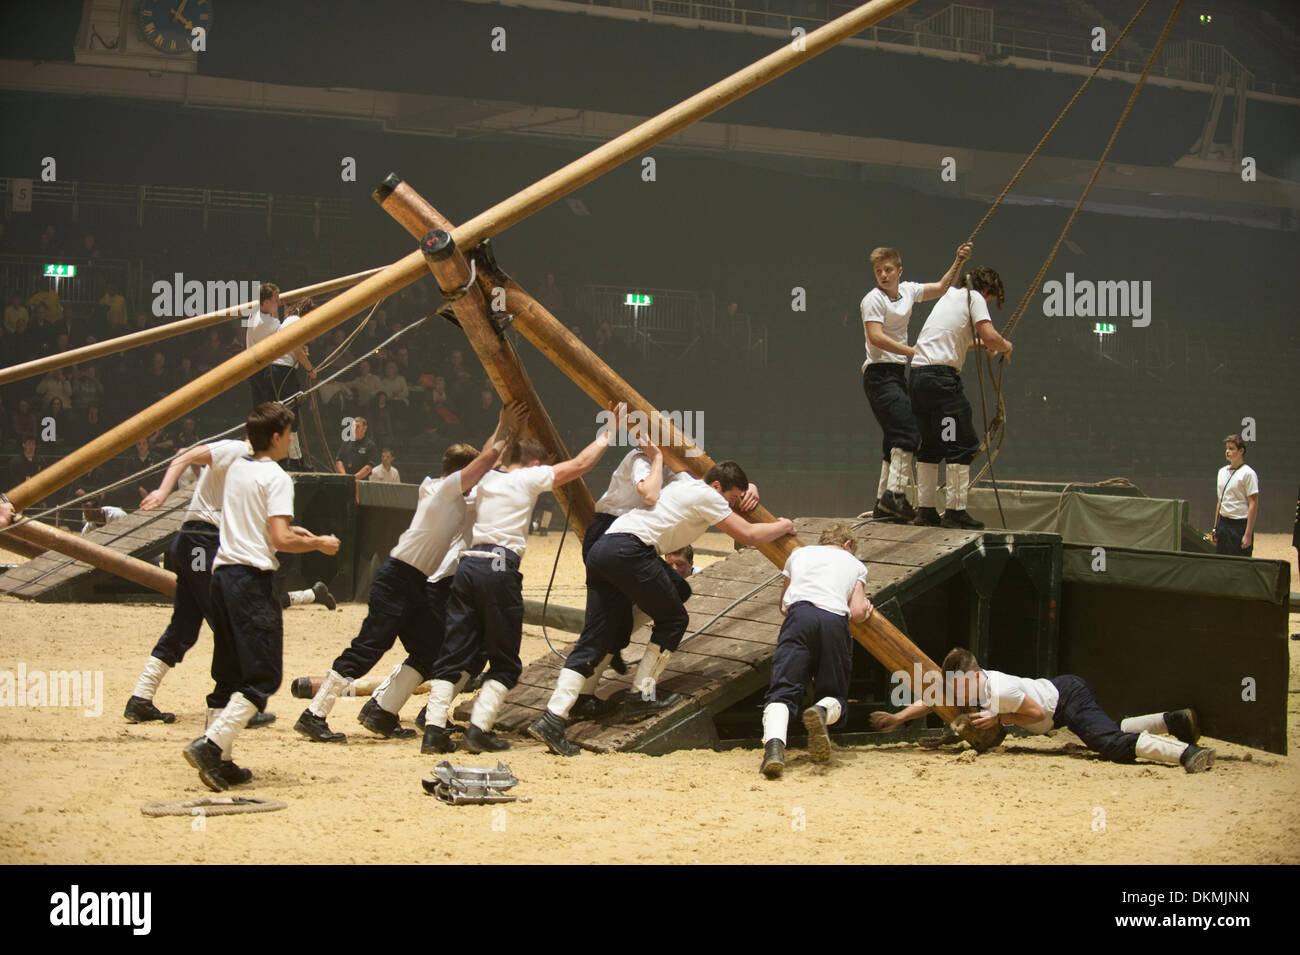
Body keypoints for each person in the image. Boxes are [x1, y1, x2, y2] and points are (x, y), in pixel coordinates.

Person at [529, 458, 795, 757]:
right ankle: (641, 695)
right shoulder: (708, 495)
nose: (732, 506)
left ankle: (553, 718)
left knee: (601, 634)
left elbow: (687, 463)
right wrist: (782, 525)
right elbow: (747, 534)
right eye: (732, 499)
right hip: (632, 550)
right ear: (718, 486)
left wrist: (749, 489)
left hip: (603, 548)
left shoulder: (684, 482)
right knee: (674, 620)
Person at [295, 404, 524, 744]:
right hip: (398, 579)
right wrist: (506, 434)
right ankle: (314, 714)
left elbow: (481, 461)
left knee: (430, 649)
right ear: (460, 474)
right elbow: (485, 462)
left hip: (413, 583)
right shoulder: (446, 489)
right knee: (368, 648)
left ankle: (383, 714)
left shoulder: (438, 487)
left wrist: (504, 424)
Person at [420, 412, 619, 755]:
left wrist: (505, 428)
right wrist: (609, 433)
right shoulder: (527, 480)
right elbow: (580, 466)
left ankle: (434, 730)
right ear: (534, 465)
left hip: (468, 566)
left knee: (453, 653)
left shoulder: (486, 478)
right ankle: (479, 729)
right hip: (499, 565)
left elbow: (490, 454)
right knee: (506, 661)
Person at [182, 403, 339, 792]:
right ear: (275, 436)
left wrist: (293, 530)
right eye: (289, 432)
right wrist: (319, 543)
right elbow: (279, 539)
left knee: (228, 674)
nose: (292, 439)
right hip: (251, 580)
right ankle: (210, 745)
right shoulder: (278, 476)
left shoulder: (237, 467)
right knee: (263, 676)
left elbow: (262, 522)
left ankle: (222, 759)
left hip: (222, 575)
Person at [868, 647, 1215, 773]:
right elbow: (931, 698)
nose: (953, 692)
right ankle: (1173, 721)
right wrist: (897, 718)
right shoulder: (962, 683)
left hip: (1064, 699)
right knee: (1109, 728)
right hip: (1059, 699)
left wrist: (998, 718)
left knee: (1107, 742)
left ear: (973, 675)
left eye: (957, 685)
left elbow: (1035, 715)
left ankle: (1188, 753)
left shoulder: (1000, 690)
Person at [861, 243, 970, 522]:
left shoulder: (907, 290)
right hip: (879, 374)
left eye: (887, 269)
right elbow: (875, 337)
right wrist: (910, 351)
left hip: (897, 374)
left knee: (893, 440)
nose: (883, 275)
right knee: (909, 431)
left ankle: (883, 506)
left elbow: (942, 287)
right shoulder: (873, 299)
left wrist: (958, 258)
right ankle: (895, 496)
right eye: (878, 271)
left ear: (899, 270)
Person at [759, 523, 872, 778]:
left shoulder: (798, 554)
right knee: (835, 693)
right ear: (847, 546)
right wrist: (867, 608)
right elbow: (856, 612)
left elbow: (783, 605)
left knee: (782, 691)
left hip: (799, 615)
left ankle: (774, 749)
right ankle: (821, 712)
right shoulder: (855, 565)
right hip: (834, 620)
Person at [908, 266, 1013, 529]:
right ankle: (955, 511)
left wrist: (984, 345)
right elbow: (988, 333)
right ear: (987, 290)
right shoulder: (974, 297)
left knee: (932, 443)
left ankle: (926, 511)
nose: (987, 303)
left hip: (919, 378)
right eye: (991, 299)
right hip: (942, 380)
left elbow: (958, 340)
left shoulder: (949, 297)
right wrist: (1005, 346)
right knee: (960, 441)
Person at [1211, 434, 1259, 557]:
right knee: (1222, 564)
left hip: (1239, 525)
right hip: (1223, 525)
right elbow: (1220, 501)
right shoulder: (1221, 472)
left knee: (1240, 565)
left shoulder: (1248, 473)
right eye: (1227, 448)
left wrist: (1248, 534)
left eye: (1231, 448)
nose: (1227, 451)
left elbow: (1253, 503)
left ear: (1241, 451)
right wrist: (1215, 527)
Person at [244, 283, 283, 406]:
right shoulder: (268, 322)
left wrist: (273, 292)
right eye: (275, 300)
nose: (278, 302)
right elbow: (282, 337)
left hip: (252, 368)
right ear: (265, 302)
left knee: (259, 407)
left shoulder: (253, 314)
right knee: (269, 407)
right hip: (265, 371)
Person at [335, 415, 379, 480]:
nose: (354, 429)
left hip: (362, 483)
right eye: (353, 426)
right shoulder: (346, 442)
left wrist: (353, 479)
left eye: (357, 426)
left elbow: (369, 467)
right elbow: (338, 461)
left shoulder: (370, 445)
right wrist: (344, 477)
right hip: (345, 481)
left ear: (365, 428)